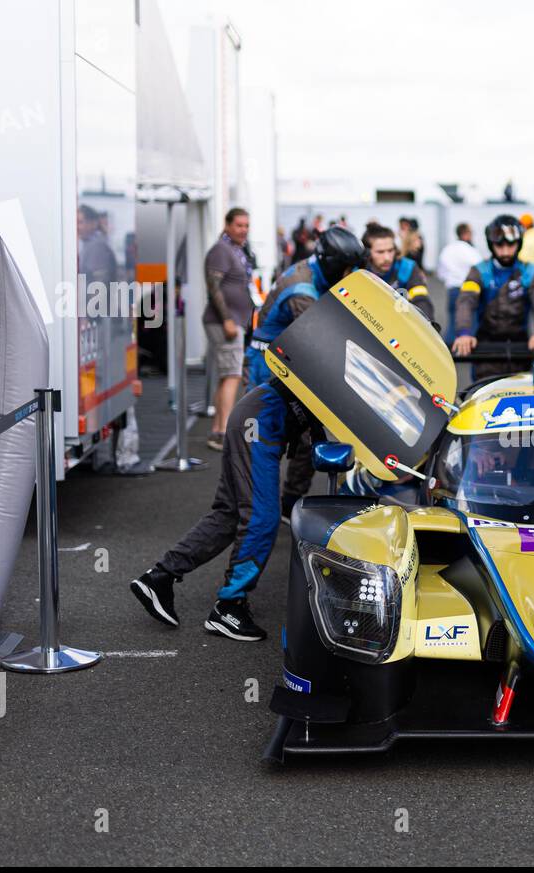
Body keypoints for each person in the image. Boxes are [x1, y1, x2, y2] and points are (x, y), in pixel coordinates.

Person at [129, 247, 364, 642]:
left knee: (226, 515)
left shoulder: (318, 294)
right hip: (258, 425)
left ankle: (158, 578)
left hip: (254, 419)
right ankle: (229, 606)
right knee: (261, 517)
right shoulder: (306, 298)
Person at [248, 225, 365, 516]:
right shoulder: (302, 290)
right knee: (266, 440)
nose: (349, 274)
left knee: (308, 436)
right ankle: (259, 510)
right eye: (346, 267)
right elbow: (321, 335)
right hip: (269, 366)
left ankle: (289, 503)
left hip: (294, 361)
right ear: (333, 263)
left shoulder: (318, 273)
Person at [452, 214, 534, 379]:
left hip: (522, 350)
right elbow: (466, 301)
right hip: (485, 351)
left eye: (511, 244)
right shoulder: (478, 271)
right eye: (500, 245)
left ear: (519, 244)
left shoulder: (531, 272)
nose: (505, 251)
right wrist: (463, 333)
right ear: (491, 245)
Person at [203, 207, 253, 450]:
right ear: (227, 225)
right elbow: (213, 287)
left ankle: (217, 430)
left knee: (227, 376)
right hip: (225, 322)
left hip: (233, 321)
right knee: (232, 375)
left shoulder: (235, 250)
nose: (243, 230)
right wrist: (227, 320)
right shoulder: (221, 251)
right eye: (239, 225)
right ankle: (223, 432)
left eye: (246, 226)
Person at [362, 223, 436, 323]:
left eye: (390, 250)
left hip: (399, 326)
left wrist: (429, 324)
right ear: (367, 253)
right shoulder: (357, 270)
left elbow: (421, 299)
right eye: (380, 252)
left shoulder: (407, 267)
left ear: (396, 250)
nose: (387, 258)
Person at [436, 222, 484, 342]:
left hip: (452, 290)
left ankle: (449, 354)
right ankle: (470, 355)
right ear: (466, 234)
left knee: (452, 323)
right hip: (468, 291)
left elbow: (440, 273)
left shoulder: (447, 249)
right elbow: (481, 269)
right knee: (470, 324)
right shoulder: (470, 250)